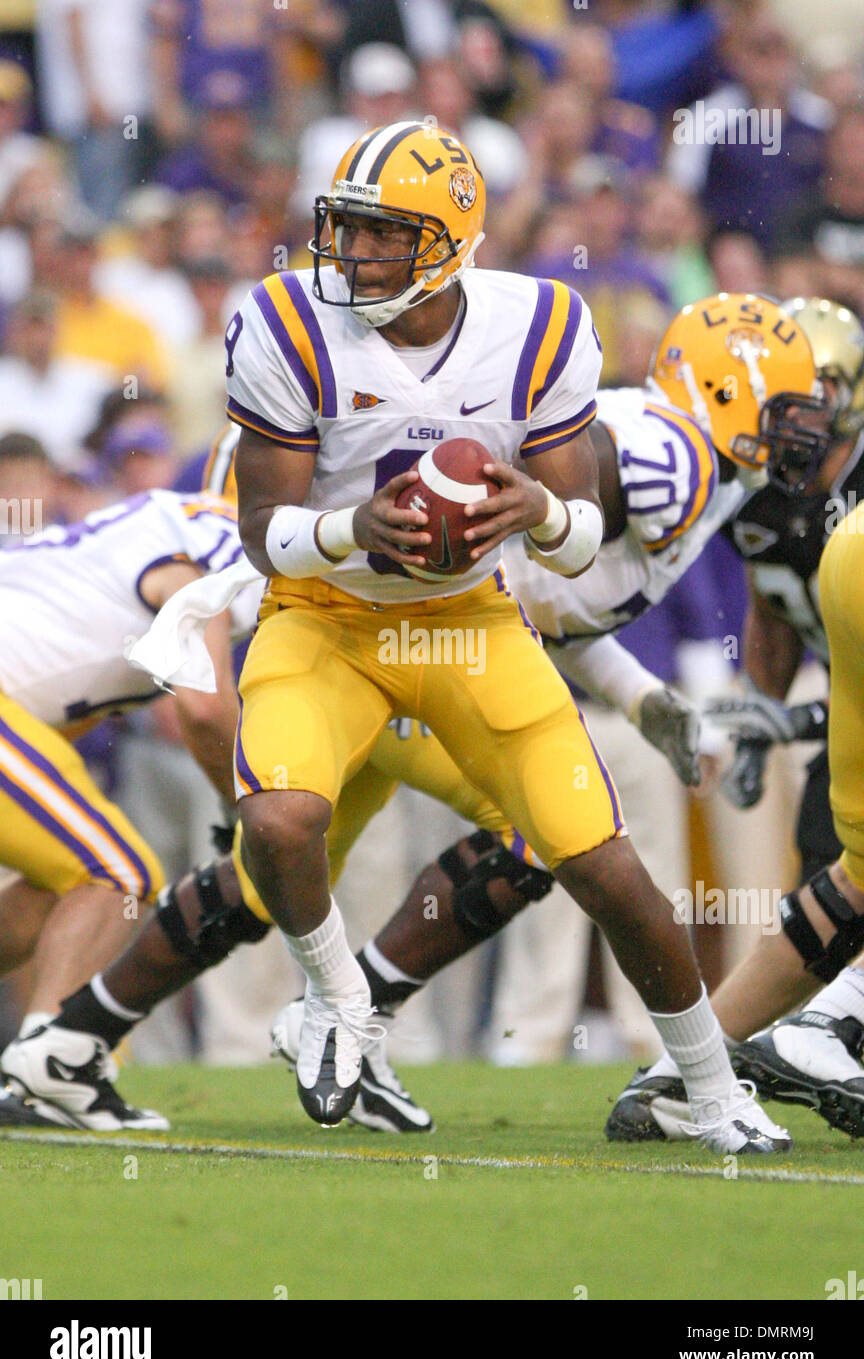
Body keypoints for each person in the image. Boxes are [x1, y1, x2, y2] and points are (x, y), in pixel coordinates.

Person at [4, 121, 814, 1155]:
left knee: (600, 862)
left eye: (386, 236)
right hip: (325, 617)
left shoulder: (540, 326)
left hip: (471, 623)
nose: (356, 254)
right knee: (280, 827)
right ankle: (342, 1003)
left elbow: (571, 555)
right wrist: (358, 529)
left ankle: (709, 1086)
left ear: (454, 241)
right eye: (347, 228)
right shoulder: (290, 325)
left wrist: (533, 513)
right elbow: (263, 535)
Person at [605, 297, 864, 1142]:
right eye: (788, 396)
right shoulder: (764, 491)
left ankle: (682, 1072)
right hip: (847, 653)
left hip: (845, 652)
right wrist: (765, 703)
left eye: (813, 395)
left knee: (849, 883)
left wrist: (788, 720)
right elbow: (771, 605)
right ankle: (827, 1030)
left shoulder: (761, 479)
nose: (798, 417)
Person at [0, 486, 255, 1128]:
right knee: (119, 875)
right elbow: (204, 706)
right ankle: (55, 1072)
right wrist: (252, 810)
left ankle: (46, 1068)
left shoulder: (157, 520)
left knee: (58, 884)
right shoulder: (217, 545)